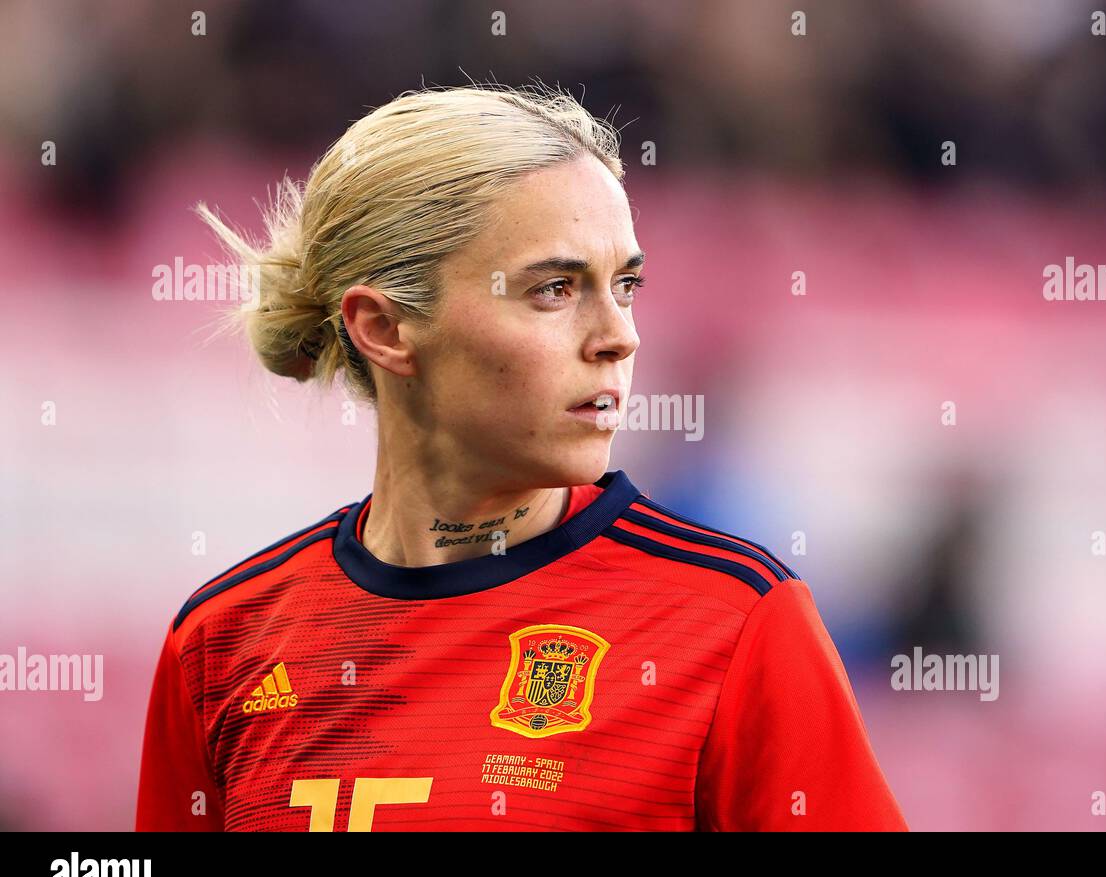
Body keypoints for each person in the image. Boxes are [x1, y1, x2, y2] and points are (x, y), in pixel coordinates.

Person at [135, 83, 907, 832]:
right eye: (555, 289)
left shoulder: (735, 622)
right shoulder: (222, 642)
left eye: (626, 285)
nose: (620, 336)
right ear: (385, 328)